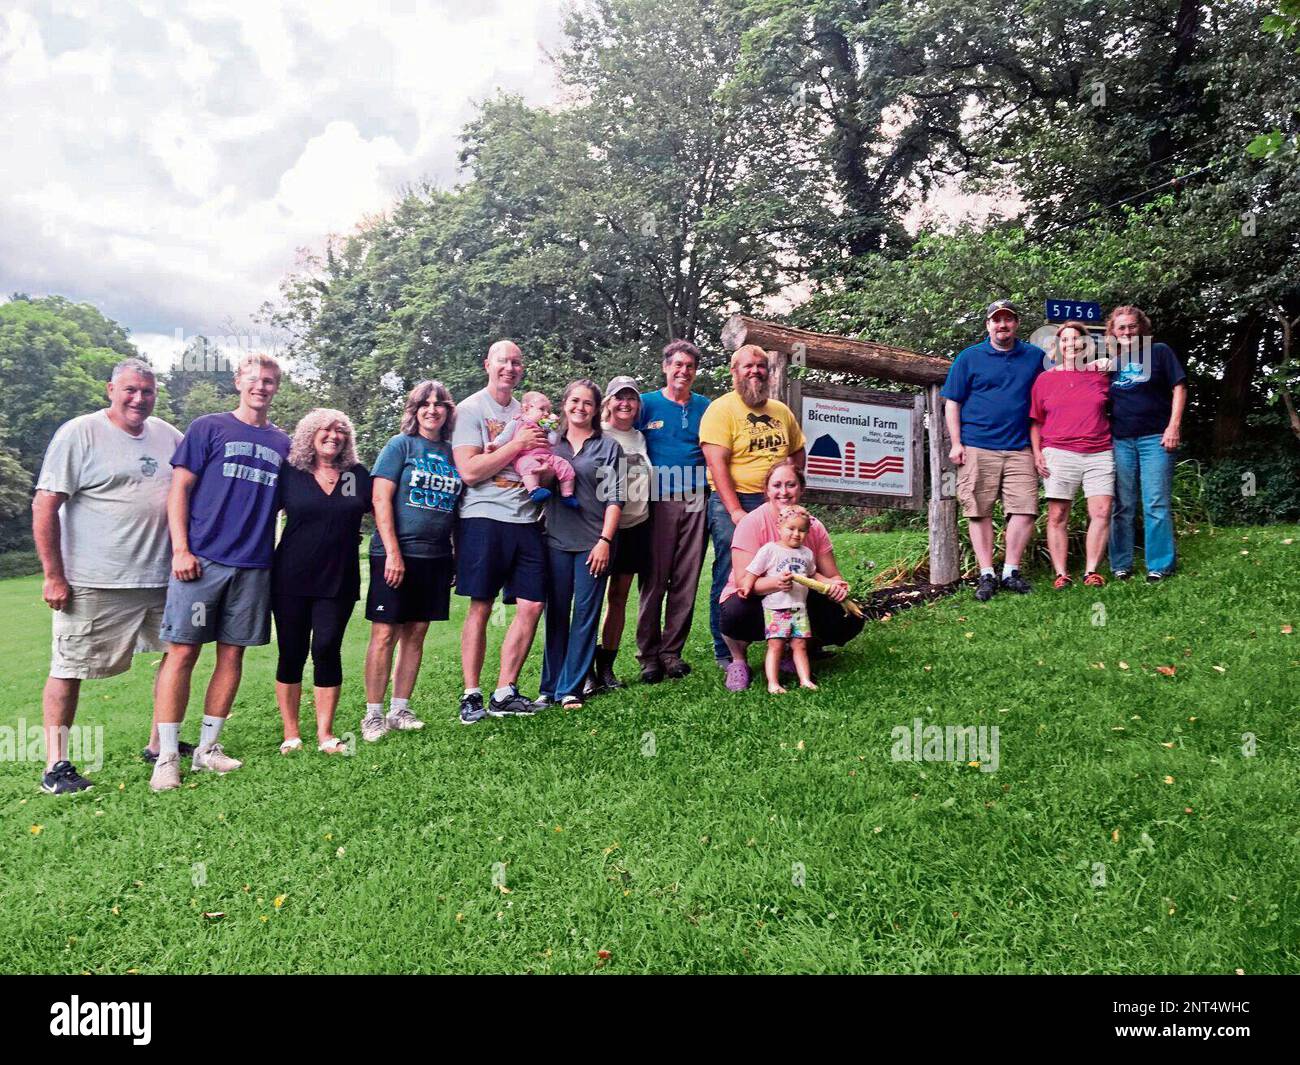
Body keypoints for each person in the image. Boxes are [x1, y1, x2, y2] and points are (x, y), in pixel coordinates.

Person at [32, 358, 183, 793]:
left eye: (148, 391)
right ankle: (56, 765)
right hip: (94, 579)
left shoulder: (168, 435)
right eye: (130, 390)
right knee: (69, 666)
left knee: (177, 654)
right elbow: (45, 506)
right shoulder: (79, 433)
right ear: (110, 390)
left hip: (160, 577)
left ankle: (160, 744)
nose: (139, 398)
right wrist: (53, 576)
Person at [149, 352, 291, 792]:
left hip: (252, 566)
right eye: (254, 379)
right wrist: (181, 549)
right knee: (183, 652)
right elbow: (179, 491)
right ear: (238, 382)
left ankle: (209, 749)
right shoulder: (208, 427)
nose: (261, 387)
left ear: (276, 388)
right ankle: (167, 755)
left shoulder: (284, 444)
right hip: (202, 561)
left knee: (233, 655)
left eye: (269, 381)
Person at [451, 341, 550, 723]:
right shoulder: (470, 410)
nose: (509, 367)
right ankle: (471, 694)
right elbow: (471, 471)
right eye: (502, 361)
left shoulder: (529, 411)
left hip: (526, 519)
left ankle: (505, 691)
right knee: (481, 605)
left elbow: (540, 459)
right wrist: (519, 446)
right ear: (487, 364)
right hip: (484, 517)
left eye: (516, 362)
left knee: (532, 604)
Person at [362, 381, 462, 740]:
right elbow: (380, 500)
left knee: (417, 634)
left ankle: (399, 708)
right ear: (414, 409)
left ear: (448, 412)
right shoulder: (399, 446)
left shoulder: (453, 453)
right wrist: (392, 552)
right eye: (425, 403)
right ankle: (372, 715)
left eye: (439, 404)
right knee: (386, 632)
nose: (432, 409)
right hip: (395, 553)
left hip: (435, 556)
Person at [272, 408, 372, 754]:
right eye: (326, 429)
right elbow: (260, 515)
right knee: (292, 651)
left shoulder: (356, 475)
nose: (334, 435)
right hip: (290, 576)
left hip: (339, 578)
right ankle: (291, 733)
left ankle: (326, 734)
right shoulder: (291, 473)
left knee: (327, 647)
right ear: (309, 435)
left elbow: (385, 510)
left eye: (341, 430)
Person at [700, 344, 806, 668]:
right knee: (731, 573)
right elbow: (717, 465)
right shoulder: (721, 410)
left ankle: (788, 642)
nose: (755, 371)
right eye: (747, 366)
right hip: (736, 500)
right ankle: (729, 652)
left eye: (761, 366)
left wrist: (790, 491)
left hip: (776, 501)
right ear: (734, 372)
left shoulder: (781, 411)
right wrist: (735, 512)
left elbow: (798, 452)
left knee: (785, 566)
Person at [717, 459, 861, 691]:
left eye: (790, 485)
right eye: (776, 485)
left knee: (846, 616)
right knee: (734, 611)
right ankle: (739, 661)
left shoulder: (813, 526)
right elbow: (745, 582)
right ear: (766, 490)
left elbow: (827, 574)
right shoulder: (752, 523)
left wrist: (836, 585)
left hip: (797, 600)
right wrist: (776, 583)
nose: (783, 492)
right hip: (753, 596)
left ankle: (796, 650)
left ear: (801, 489)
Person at [941, 300, 1046, 602]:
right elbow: (953, 402)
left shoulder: (1035, 357)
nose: (1003, 325)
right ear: (988, 324)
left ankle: (1010, 570)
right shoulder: (969, 358)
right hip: (977, 444)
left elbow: (1053, 388)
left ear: (1016, 324)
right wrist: (956, 443)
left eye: (1008, 320)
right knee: (978, 510)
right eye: (996, 320)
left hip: (1020, 446)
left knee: (1025, 509)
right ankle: (986, 573)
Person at [537, 380, 623, 709]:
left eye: (588, 403)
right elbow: (536, 484)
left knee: (586, 615)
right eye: (575, 401)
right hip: (555, 540)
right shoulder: (549, 442)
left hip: (593, 542)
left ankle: (571, 687)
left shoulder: (608, 447)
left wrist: (605, 540)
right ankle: (550, 686)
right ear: (564, 404)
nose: (580, 408)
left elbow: (616, 500)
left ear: (597, 408)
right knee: (556, 613)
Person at [635, 340, 711, 683]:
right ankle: (648, 655)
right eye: (677, 364)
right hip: (657, 498)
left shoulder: (705, 407)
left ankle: (671, 652)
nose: (683, 371)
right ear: (665, 367)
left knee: (686, 577)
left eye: (690, 366)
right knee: (655, 578)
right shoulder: (646, 404)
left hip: (696, 496)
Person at [1105, 305, 1188, 582]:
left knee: (1155, 502)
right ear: (1113, 332)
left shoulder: (1160, 351)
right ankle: (1121, 564)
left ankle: (1160, 565)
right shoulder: (1111, 362)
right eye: (1121, 328)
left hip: (1156, 438)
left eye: (1131, 326)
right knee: (1122, 504)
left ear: (1141, 327)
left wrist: (1173, 425)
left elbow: (1179, 387)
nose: (1127, 331)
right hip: (1121, 440)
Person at [1029, 322, 1114, 589]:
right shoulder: (1044, 380)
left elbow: (1132, 363)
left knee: (1100, 512)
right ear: (1057, 346)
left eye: (1076, 339)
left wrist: (1107, 362)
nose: (1071, 344)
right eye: (1064, 340)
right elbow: (1036, 422)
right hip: (1058, 451)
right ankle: (1061, 574)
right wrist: (1037, 453)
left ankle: (1091, 572)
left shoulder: (1100, 374)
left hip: (1099, 451)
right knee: (1057, 515)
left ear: (1085, 344)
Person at [592, 376, 651, 691]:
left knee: (619, 598)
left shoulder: (641, 438)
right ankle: (584, 670)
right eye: (619, 397)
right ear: (608, 403)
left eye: (631, 398)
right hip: (602, 528)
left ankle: (607, 669)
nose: (625, 403)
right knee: (591, 599)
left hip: (636, 525)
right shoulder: (598, 435)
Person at [737, 505, 820, 694]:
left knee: (800, 645)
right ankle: (773, 683)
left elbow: (813, 575)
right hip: (776, 608)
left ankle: (805, 680)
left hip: (799, 608)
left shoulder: (806, 553)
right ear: (779, 527)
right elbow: (753, 571)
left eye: (802, 530)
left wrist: (831, 584)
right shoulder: (770, 550)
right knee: (776, 645)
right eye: (791, 528)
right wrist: (747, 586)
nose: (796, 534)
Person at [486, 390, 577, 506]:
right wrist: (495, 445)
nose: (546, 414)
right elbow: (505, 436)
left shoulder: (545, 427)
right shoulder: (517, 422)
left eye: (548, 411)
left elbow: (553, 442)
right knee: (528, 465)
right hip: (525, 456)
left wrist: (553, 428)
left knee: (564, 464)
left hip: (547, 456)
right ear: (526, 409)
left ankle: (567, 494)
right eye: (542, 409)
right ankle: (534, 490)